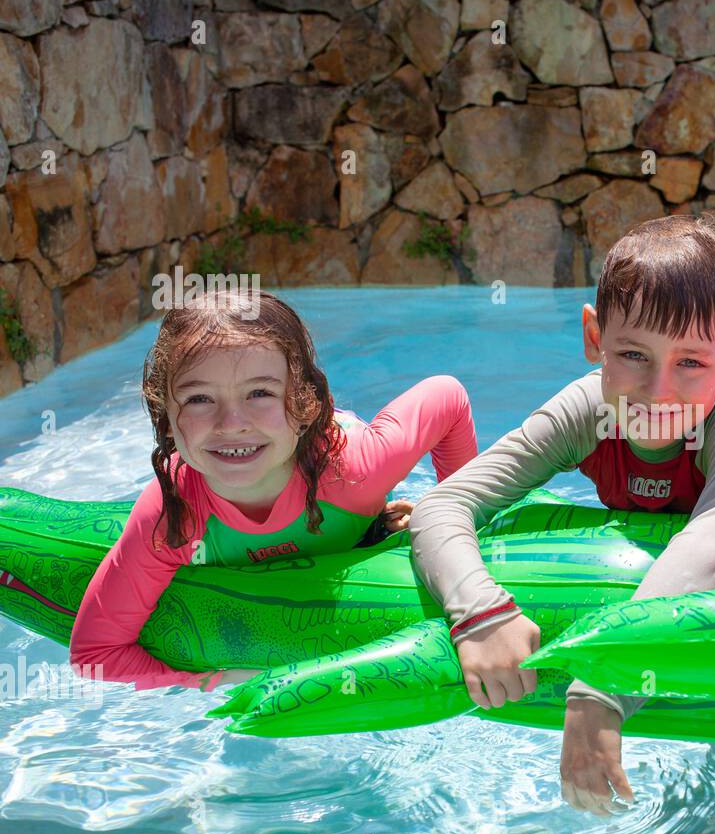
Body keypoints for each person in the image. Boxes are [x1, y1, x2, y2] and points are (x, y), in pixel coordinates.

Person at [408, 215, 715, 815]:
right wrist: (479, 612)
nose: (658, 389)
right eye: (633, 354)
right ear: (595, 338)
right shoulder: (589, 409)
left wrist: (601, 687)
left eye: (691, 362)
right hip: (650, 590)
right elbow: (444, 503)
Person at [69, 289, 477, 690]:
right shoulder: (174, 512)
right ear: (166, 417)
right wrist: (220, 677)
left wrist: (452, 512)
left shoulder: (356, 469)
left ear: (303, 403)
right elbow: (95, 655)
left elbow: (448, 397)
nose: (232, 423)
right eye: (198, 399)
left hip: (335, 484)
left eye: (260, 393)